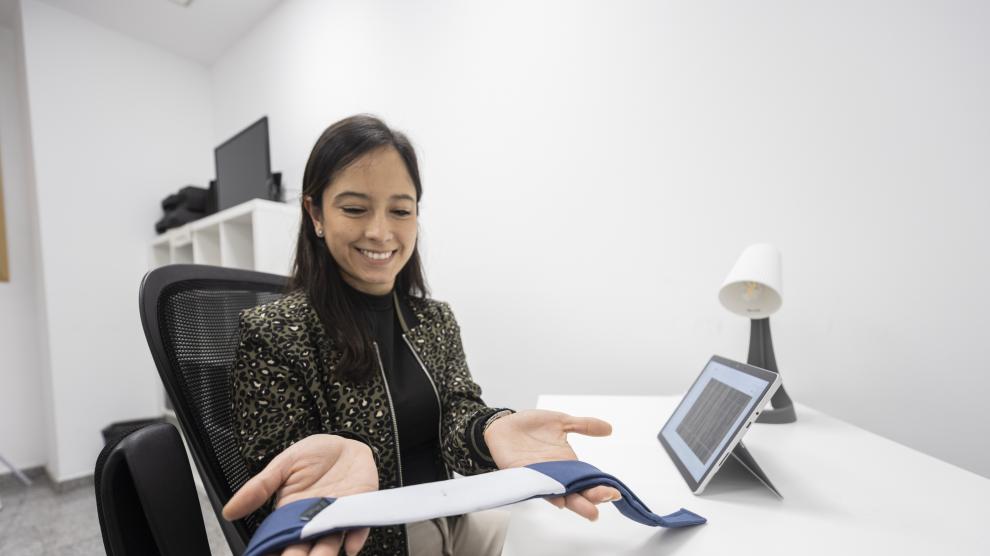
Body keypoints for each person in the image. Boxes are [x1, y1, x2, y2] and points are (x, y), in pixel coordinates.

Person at [221, 115, 621, 556]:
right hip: (374, 540)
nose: (380, 231)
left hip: (452, 515)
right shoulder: (272, 334)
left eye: (400, 209)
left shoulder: (435, 319)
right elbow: (280, 480)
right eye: (355, 208)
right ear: (315, 213)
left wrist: (490, 429)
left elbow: (456, 412)